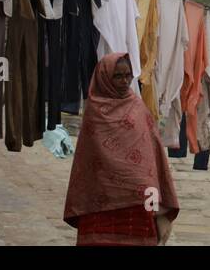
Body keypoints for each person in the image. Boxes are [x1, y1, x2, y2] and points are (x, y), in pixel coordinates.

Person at [63, 54, 179, 246]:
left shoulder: (137, 106)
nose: (124, 81)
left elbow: (152, 153)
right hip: (100, 198)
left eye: (128, 75)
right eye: (118, 76)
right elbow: (87, 158)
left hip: (138, 200)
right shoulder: (94, 109)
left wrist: (157, 200)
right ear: (105, 77)